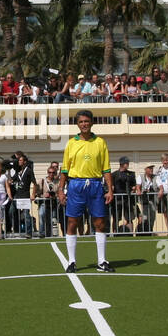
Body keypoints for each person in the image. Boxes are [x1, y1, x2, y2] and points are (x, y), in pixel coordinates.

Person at [57, 110, 115, 272]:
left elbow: (107, 169)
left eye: (87, 121)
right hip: (76, 185)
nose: (84, 124)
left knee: (99, 222)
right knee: (72, 222)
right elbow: (65, 170)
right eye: (81, 121)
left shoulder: (100, 142)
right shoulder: (71, 143)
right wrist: (61, 190)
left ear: (92, 123)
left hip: (96, 185)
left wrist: (109, 190)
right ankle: (72, 261)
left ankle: (102, 261)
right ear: (77, 124)